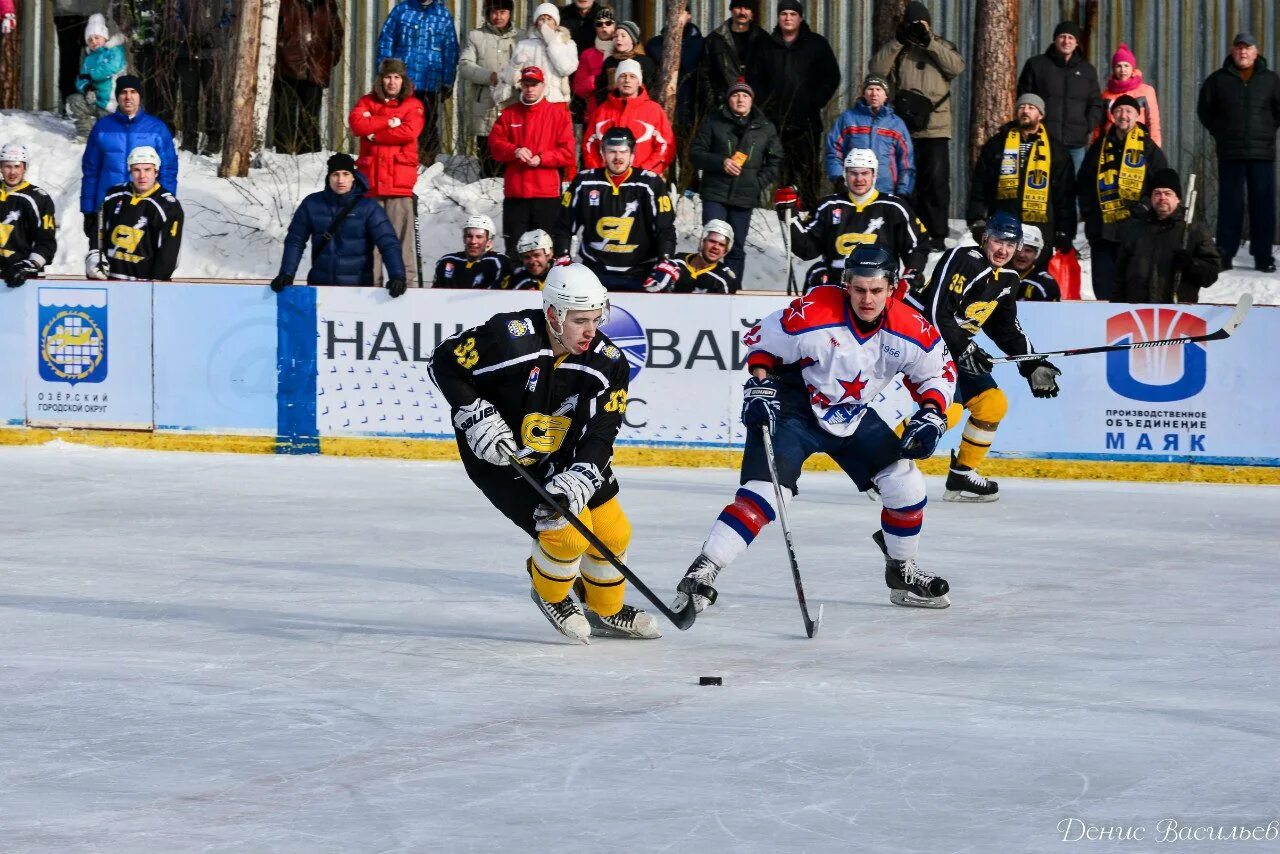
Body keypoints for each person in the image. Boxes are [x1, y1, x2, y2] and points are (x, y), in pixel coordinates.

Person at [671, 244, 956, 615]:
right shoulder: (815, 311)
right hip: (793, 409)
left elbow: (936, 373)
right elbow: (763, 344)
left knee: (906, 484)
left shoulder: (910, 328)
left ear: (892, 288)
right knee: (767, 493)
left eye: (876, 290)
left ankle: (901, 570)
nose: (867, 299)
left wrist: (932, 413)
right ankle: (703, 570)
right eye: (859, 289)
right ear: (846, 285)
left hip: (851, 413)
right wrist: (759, 386)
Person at [429, 263, 660, 641]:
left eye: (596, 319)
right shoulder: (508, 337)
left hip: (566, 453)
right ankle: (551, 593)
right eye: (580, 321)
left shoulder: (609, 360)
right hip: (505, 459)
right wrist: (472, 411)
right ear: (553, 314)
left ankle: (605, 609)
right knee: (568, 536)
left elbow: (604, 428)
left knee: (614, 532)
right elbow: (444, 362)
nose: (591, 331)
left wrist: (584, 472)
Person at [904, 211, 1061, 502]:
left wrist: (1032, 364)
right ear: (986, 238)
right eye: (998, 241)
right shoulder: (965, 258)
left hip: (954, 350)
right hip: (923, 343)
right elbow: (936, 314)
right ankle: (879, 460)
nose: (1003, 250)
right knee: (947, 412)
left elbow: (1006, 329)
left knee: (992, 404)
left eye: (1011, 245)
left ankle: (962, 474)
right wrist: (966, 348)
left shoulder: (1008, 279)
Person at [868, 1, 965, 252]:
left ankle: (936, 234)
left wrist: (929, 41)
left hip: (936, 127)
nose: (916, 27)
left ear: (929, 24)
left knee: (936, 182)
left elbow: (956, 67)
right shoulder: (899, 48)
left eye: (921, 23)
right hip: (904, 128)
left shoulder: (941, 45)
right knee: (906, 181)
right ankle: (906, 229)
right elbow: (875, 69)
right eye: (912, 23)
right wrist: (899, 40)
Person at [780, 148, 928, 291]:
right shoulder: (828, 206)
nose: (859, 179)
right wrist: (788, 213)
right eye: (853, 173)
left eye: (865, 173)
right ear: (845, 175)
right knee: (817, 273)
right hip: (837, 283)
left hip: (879, 286)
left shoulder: (894, 207)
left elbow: (917, 245)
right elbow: (807, 249)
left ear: (874, 175)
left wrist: (912, 272)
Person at [555, 125, 676, 292]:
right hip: (594, 273)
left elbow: (665, 228)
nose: (618, 157)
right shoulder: (584, 182)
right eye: (612, 151)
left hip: (640, 273)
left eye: (623, 152)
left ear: (632, 154)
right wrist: (562, 255)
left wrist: (665, 260)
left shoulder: (650, 183)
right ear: (602, 153)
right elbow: (564, 224)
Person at [1197, 32, 1280, 273]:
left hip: (1261, 153)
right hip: (1230, 152)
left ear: (1256, 52)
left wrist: (1267, 130)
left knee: (1263, 205)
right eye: (1239, 48)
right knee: (1230, 205)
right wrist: (1221, 132)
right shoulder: (1218, 80)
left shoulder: (1271, 80)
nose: (1243, 52)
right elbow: (1205, 110)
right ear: (1232, 51)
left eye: (1247, 48)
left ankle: (1263, 256)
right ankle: (1224, 254)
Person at [748, 0, 841, 211]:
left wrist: (814, 101)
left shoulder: (816, 44)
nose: (788, 18)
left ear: (800, 18)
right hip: (774, 123)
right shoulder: (764, 44)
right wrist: (766, 107)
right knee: (780, 171)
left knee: (808, 172)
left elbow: (831, 76)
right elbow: (754, 78)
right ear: (778, 17)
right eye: (784, 14)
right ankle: (782, 213)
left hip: (806, 122)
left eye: (792, 14)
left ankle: (809, 212)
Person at [271, 153, 407, 294]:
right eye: (335, 174)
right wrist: (286, 273)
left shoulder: (369, 208)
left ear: (353, 177)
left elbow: (388, 243)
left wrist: (397, 276)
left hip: (358, 290)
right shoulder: (311, 204)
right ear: (328, 177)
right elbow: (295, 240)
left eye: (346, 174)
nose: (340, 180)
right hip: (320, 288)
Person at [691, 77, 782, 284]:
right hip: (715, 194)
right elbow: (695, 153)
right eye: (735, 95)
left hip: (744, 197)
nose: (740, 99)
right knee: (712, 241)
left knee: (736, 247)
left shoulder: (765, 127)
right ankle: (704, 287)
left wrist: (757, 183)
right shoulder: (713, 122)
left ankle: (730, 290)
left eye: (745, 95)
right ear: (728, 99)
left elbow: (775, 160)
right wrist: (720, 162)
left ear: (751, 100)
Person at [1076, 94, 1168, 299]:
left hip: (1135, 230)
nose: (1123, 115)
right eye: (1118, 111)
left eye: (1128, 111)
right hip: (1102, 231)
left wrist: (1145, 206)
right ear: (1113, 115)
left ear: (1137, 116)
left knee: (1133, 288)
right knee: (1103, 289)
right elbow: (1084, 181)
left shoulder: (1148, 147)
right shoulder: (1099, 147)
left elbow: (1162, 182)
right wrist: (1089, 211)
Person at [968, 93, 1076, 262]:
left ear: (1041, 114)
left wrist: (1064, 231)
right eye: (1021, 107)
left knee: (1035, 276)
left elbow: (1065, 194)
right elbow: (980, 184)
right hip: (1003, 226)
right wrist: (976, 219)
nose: (1025, 111)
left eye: (1031, 108)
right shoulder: (997, 144)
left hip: (1041, 229)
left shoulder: (1056, 149)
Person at [80, 75, 179, 254]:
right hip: (107, 207)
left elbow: (168, 171)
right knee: (100, 261)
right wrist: (88, 210)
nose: (128, 97)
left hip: (145, 209)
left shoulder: (157, 129)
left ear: (140, 96)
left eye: (133, 92)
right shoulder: (102, 127)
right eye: (123, 92)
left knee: (139, 261)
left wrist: (166, 207)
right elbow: (90, 171)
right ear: (117, 96)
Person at [349, 58, 426, 289]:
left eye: (396, 77)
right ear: (380, 80)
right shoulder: (366, 101)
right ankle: (370, 287)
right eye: (388, 77)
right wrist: (389, 121)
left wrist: (375, 133)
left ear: (403, 80)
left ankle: (405, 286)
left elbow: (409, 131)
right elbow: (357, 125)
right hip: (370, 186)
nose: (392, 82)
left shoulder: (413, 105)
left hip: (399, 186)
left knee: (401, 243)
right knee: (370, 243)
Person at [488, 65, 577, 262]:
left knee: (547, 250)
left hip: (546, 195)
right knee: (515, 250)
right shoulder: (509, 114)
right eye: (526, 84)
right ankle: (515, 280)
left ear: (543, 86)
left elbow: (568, 153)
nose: (530, 89)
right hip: (516, 194)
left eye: (534, 84)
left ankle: (550, 281)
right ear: (521, 86)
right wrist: (514, 151)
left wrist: (542, 158)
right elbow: (495, 145)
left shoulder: (557, 114)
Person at [1114, 168, 1220, 304]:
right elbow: (1119, 276)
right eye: (1157, 193)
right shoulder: (1135, 229)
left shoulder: (1193, 230)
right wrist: (1117, 306)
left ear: (1178, 198)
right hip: (1138, 311)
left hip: (1178, 312)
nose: (1162, 198)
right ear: (1151, 198)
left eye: (1167, 193)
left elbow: (1211, 275)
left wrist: (1191, 265)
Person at [377, 0, 459, 165]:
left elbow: (450, 50)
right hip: (403, 81)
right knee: (398, 121)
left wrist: (447, 81)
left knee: (427, 123)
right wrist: (386, 73)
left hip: (430, 81)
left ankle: (426, 163)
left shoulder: (443, 15)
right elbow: (386, 41)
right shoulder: (402, 10)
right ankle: (395, 160)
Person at [1017, 20, 1104, 173]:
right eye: (1062, 36)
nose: (1066, 41)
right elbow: (1025, 97)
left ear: (1076, 42)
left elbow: (1096, 104)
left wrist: (1086, 126)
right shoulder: (1036, 65)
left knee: (1074, 185)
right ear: (1055, 39)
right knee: (1039, 182)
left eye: (1071, 37)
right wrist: (1033, 126)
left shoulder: (1087, 70)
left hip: (1075, 144)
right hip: (1042, 139)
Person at [87, 145, 184, 281]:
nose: (142, 175)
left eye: (147, 170)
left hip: (144, 284)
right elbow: (99, 230)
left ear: (156, 171)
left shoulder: (168, 206)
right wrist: (94, 255)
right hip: (109, 280)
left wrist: (156, 283)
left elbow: (169, 253)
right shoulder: (113, 194)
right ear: (130, 171)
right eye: (137, 170)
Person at [161, 0, 235, 155]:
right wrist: (185, 36)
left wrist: (211, 37)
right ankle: (189, 140)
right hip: (186, 52)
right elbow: (173, 14)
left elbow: (229, 17)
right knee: (188, 99)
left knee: (213, 97)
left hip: (212, 53)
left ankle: (214, 140)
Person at [825, 74, 914, 197]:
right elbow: (834, 151)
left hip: (886, 191)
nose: (874, 94)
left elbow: (906, 161)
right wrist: (839, 179)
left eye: (879, 89)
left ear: (886, 95)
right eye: (870, 89)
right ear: (863, 93)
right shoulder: (848, 119)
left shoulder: (896, 124)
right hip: (852, 190)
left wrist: (903, 190)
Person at [457, 0, 518, 179]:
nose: (498, 17)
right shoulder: (476, 36)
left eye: (502, 12)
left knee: (511, 155)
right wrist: (489, 76)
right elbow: (465, 65)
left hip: (512, 104)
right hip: (485, 106)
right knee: (487, 157)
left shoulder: (521, 37)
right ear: (487, 13)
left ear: (510, 13)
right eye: (494, 12)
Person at [582, 59, 675, 175]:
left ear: (639, 82)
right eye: (622, 76)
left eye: (632, 76)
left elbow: (666, 146)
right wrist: (598, 170)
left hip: (642, 178)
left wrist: (645, 171)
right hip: (606, 178)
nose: (627, 80)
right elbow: (589, 144)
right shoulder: (601, 111)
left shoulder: (654, 111)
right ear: (617, 81)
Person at [275, 0, 344, 155]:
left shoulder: (327, 4)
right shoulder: (286, 3)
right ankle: (281, 157)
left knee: (310, 117)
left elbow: (337, 34)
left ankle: (309, 156)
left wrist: (329, 59)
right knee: (284, 117)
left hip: (315, 69)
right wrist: (280, 54)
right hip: (286, 67)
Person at [645, 7, 704, 175]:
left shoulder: (700, 44)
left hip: (690, 110)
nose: (677, 17)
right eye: (673, 13)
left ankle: (689, 189)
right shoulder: (655, 44)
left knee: (688, 163)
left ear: (689, 16)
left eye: (681, 13)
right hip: (662, 110)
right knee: (663, 160)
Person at [0, 144, 58, 289]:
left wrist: (29, 265)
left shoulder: (39, 198)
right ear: (1, 167)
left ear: (25, 168)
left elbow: (47, 243)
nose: (12, 172)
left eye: (17, 166)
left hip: (26, 280)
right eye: (7, 166)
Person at [497, 3, 578, 107]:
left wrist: (551, 43)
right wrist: (515, 65)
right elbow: (510, 80)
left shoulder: (567, 43)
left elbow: (566, 69)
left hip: (556, 101)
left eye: (549, 19)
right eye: (541, 19)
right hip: (530, 102)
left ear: (556, 23)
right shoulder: (524, 44)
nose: (545, 22)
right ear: (536, 23)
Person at [698, 0, 767, 117]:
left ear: (752, 13)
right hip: (723, 106)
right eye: (738, 7)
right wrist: (713, 104)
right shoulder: (715, 39)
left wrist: (763, 104)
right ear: (731, 10)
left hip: (756, 108)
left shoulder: (763, 39)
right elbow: (704, 75)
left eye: (747, 8)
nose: (742, 12)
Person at [66, 14, 126, 142]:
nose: (94, 42)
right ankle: (85, 134)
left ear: (105, 37)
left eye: (97, 37)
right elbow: (81, 79)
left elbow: (111, 68)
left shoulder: (115, 51)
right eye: (90, 39)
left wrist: (91, 75)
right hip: (96, 102)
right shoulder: (89, 59)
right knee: (74, 100)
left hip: (112, 105)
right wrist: (87, 87)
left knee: (108, 138)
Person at [643, 219, 739, 293]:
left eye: (721, 245)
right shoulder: (674, 263)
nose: (716, 247)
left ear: (726, 250)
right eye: (712, 241)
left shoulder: (725, 280)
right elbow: (647, 298)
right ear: (703, 241)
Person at [1101, 43, 1161, 147]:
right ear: (1114, 69)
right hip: (1112, 145)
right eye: (1118, 66)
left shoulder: (1146, 91)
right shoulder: (1106, 95)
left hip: (1138, 143)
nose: (1122, 70)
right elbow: (1100, 125)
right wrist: (1095, 144)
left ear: (1132, 68)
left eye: (1126, 66)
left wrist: (1154, 146)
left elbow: (1153, 121)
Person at [433, 215, 514, 289]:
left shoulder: (500, 262)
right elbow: (434, 294)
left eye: (479, 237)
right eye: (469, 236)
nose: (473, 241)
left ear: (489, 241)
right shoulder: (447, 261)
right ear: (464, 238)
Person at [596, 20, 656, 101]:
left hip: (638, 106)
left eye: (623, 36)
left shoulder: (645, 62)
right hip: (613, 105)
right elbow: (601, 88)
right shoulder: (609, 61)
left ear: (632, 40)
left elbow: (651, 89)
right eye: (616, 36)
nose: (618, 39)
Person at [571, 7, 616, 114]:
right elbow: (579, 88)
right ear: (595, 28)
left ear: (614, 26)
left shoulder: (622, 50)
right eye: (599, 24)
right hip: (595, 111)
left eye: (608, 23)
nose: (604, 26)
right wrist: (596, 80)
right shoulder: (588, 54)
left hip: (618, 109)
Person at [1012, 225, 1060, 301]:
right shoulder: (998, 276)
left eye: (1028, 250)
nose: (1021, 255)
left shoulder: (1046, 285)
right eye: (1018, 249)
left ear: (1036, 254)